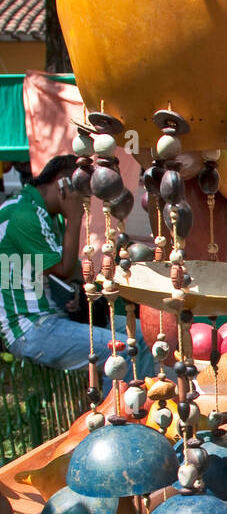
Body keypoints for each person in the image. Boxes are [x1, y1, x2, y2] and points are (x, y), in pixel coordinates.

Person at [0, 154, 154, 384]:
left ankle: (143, 405)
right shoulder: (23, 214)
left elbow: (64, 273)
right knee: (118, 351)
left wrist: (72, 290)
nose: (85, 201)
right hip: (30, 326)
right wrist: (74, 216)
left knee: (144, 335)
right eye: (82, 192)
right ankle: (117, 418)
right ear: (63, 183)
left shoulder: (44, 215)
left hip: (55, 315)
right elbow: (63, 268)